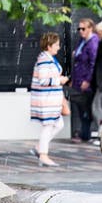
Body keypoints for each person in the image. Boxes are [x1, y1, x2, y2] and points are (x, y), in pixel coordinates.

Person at [30, 31, 69, 166]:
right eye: (57, 45)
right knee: (48, 126)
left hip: (50, 100)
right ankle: (43, 155)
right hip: (46, 100)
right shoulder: (44, 60)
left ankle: (40, 148)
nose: (59, 47)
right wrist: (60, 80)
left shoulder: (47, 58)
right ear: (49, 46)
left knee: (59, 124)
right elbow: (43, 80)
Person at [70, 17, 99, 143]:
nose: (80, 31)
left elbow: (93, 63)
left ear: (90, 28)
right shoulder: (83, 41)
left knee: (86, 107)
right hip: (78, 78)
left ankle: (85, 134)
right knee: (81, 107)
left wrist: (88, 80)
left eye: (83, 28)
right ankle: (84, 133)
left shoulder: (93, 43)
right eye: (79, 29)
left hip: (86, 81)